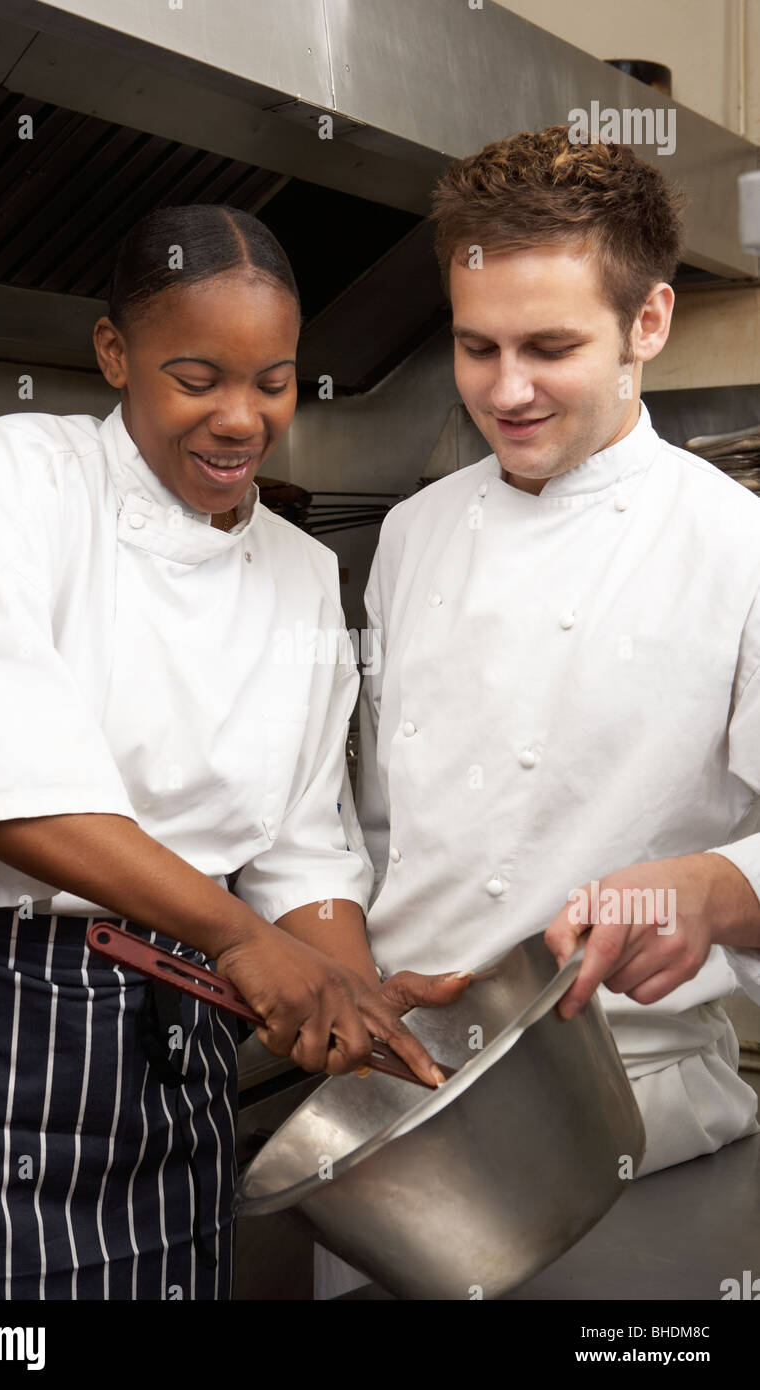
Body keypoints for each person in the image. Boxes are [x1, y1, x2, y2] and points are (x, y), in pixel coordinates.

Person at [0, 205, 469, 1301]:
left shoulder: (301, 571)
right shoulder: (23, 476)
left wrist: (345, 995)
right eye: (196, 377)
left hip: (179, 1038)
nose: (242, 419)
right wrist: (242, 941)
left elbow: (301, 842)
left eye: (274, 382)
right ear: (115, 354)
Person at [317, 126, 760, 1298]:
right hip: (392, 1122)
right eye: (475, 347)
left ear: (646, 326)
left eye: (550, 347)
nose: (503, 391)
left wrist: (721, 888)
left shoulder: (737, 548)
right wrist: (336, 962)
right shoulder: (411, 534)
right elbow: (370, 821)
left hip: (635, 1129)